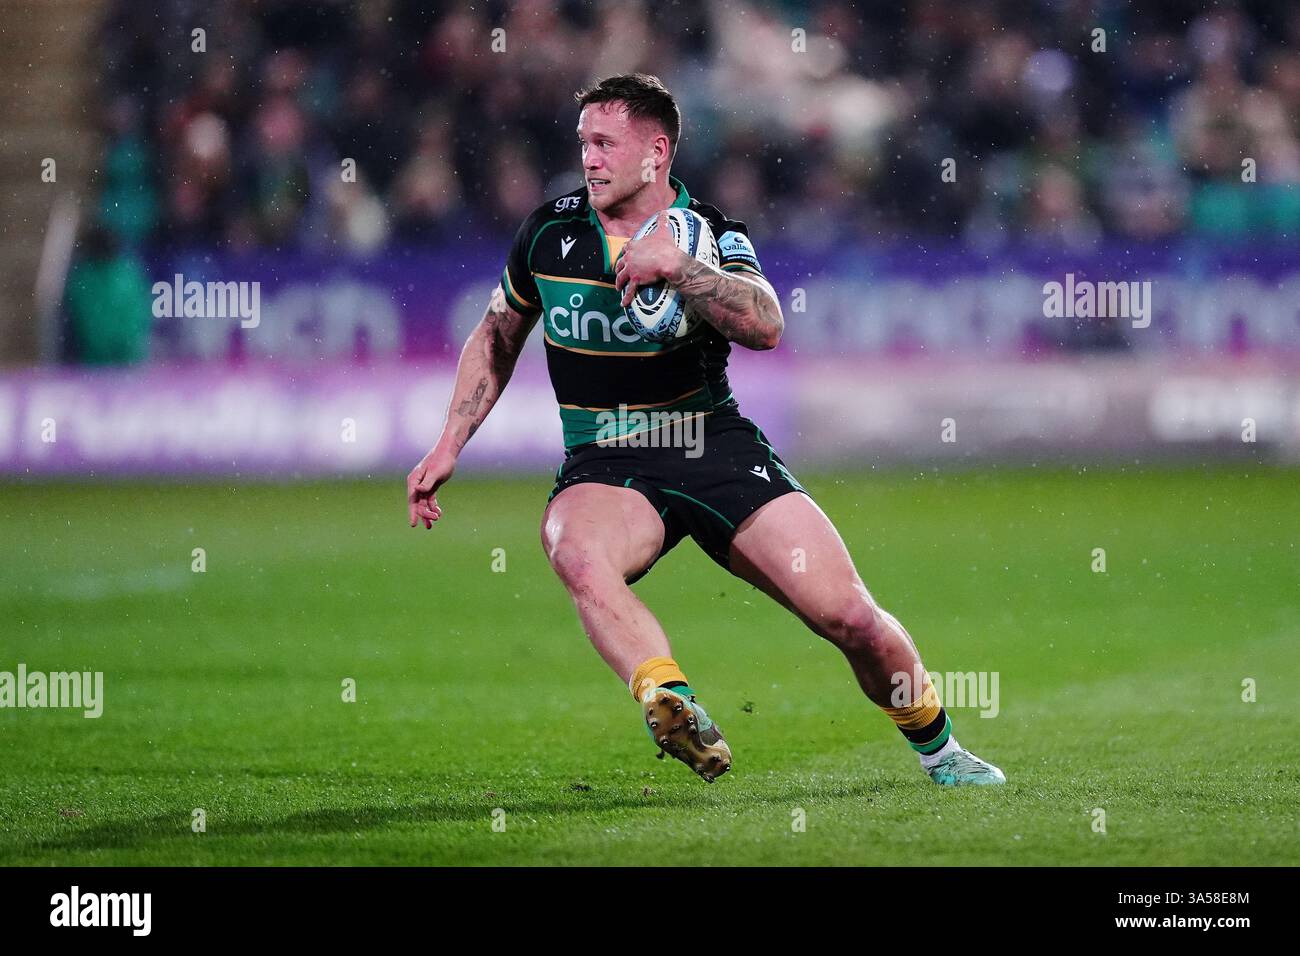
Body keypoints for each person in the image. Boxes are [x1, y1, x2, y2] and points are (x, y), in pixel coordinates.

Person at [407, 73, 1004, 787]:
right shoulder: (549, 232)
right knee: (574, 548)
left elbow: (766, 324)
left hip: (710, 444)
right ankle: (670, 699)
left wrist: (682, 270)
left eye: (604, 144)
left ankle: (942, 752)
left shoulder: (712, 233)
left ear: (656, 152)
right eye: (583, 144)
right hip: (607, 456)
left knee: (849, 617)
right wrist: (448, 443)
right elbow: (498, 334)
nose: (588, 159)